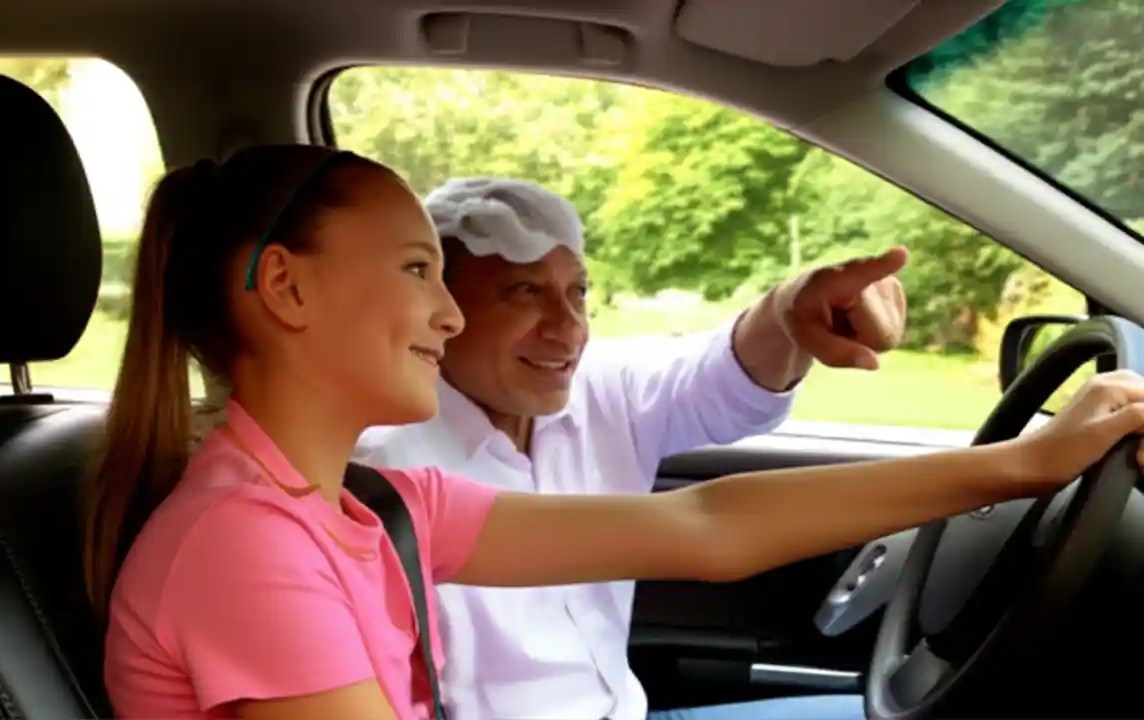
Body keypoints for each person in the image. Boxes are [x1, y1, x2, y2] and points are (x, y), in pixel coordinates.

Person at [85, 144, 1144, 720]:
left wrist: (1019, 466)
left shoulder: (371, 506)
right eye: (419, 274)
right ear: (286, 286)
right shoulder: (249, 549)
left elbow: (703, 529)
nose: (448, 314)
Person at [349, 176, 899, 720]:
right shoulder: (382, 472)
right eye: (526, 292)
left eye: (578, 292)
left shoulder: (601, 390)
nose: (568, 329)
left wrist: (790, 312)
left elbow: (727, 379)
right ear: (440, 308)